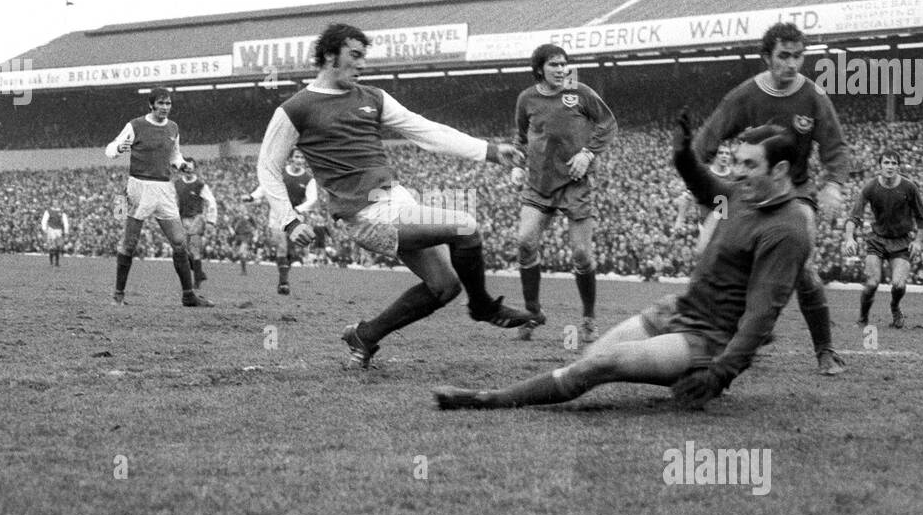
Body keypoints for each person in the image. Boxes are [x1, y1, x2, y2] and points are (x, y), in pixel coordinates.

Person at [434, 115, 811, 410]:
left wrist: (722, 372)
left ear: (779, 171)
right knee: (588, 360)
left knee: (601, 366)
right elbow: (706, 186)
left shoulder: (785, 231)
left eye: (750, 164)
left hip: (709, 337)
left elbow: (762, 315)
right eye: (738, 162)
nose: (738, 171)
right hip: (680, 310)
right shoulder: (745, 195)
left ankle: (488, 399)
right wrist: (683, 155)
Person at [257, 22, 534, 369]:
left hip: (398, 202)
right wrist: (289, 220)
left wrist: (490, 151)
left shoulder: (373, 97)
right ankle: (482, 308)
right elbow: (268, 166)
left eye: (363, 57)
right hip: (367, 216)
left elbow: (426, 131)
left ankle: (365, 335)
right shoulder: (296, 108)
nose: (362, 64)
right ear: (329, 56)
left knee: (445, 287)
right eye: (354, 56)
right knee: (465, 226)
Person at [693, 21, 851, 376]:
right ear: (767, 57)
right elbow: (707, 140)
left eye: (798, 56)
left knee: (802, 266)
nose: (792, 64)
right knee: (707, 252)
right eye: (784, 56)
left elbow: (835, 147)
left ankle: (825, 350)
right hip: (748, 194)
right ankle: (731, 332)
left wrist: (834, 184)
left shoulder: (813, 96)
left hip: (795, 193)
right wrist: (700, 179)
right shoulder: (744, 96)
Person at [512, 44, 617, 342]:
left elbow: (608, 124)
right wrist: (518, 164)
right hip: (539, 184)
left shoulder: (580, 93)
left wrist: (588, 154)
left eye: (564, 64)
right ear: (539, 69)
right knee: (524, 242)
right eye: (554, 65)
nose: (561, 70)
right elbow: (520, 137)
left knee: (582, 255)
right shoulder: (527, 99)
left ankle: (588, 318)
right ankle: (532, 313)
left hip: (575, 182)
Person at [104, 87, 207, 307]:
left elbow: (174, 154)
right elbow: (110, 149)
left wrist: (181, 165)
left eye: (168, 103)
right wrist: (120, 148)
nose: (164, 108)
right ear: (151, 105)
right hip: (140, 187)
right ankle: (118, 295)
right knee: (130, 243)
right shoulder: (136, 125)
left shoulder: (173, 127)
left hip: (164, 188)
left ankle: (188, 295)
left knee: (180, 243)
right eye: (160, 103)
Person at [842, 151, 923, 328]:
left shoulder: (909, 187)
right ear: (880, 166)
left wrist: (918, 241)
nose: (890, 166)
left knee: (898, 285)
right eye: (886, 163)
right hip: (877, 240)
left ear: (898, 166)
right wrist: (849, 238)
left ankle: (895, 307)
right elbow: (854, 216)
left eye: (893, 163)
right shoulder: (871, 187)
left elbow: (922, 218)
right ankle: (863, 318)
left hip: (901, 241)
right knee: (872, 283)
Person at [250, 148, 318, 294]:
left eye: (302, 158)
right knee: (281, 246)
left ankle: (283, 278)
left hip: (295, 216)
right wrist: (253, 196)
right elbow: (266, 187)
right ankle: (283, 282)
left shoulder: (308, 179)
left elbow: (313, 199)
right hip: (277, 214)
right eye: (297, 157)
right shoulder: (281, 174)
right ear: (291, 159)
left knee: (291, 250)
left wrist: (300, 208)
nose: (300, 160)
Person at [174, 157, 218, 298]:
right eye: (186, 168)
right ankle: (199, 273)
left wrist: (211, 221)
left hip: (197, 218)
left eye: (191, 168)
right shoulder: (177, 184)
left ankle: (197, 281)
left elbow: (211, 202)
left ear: (195, 169)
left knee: (194, 249)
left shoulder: (200, 185)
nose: (188, 171)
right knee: (183, 251)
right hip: (182, 219)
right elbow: (173, 200)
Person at [230, 202, 258, 275]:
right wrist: (232, 231)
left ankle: (244, 270)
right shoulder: (237, 216)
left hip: (247, 235)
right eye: (240, 207)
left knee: (242, 251)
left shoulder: (249, 216)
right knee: (236, 252)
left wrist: (256, 236)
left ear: (245, 208)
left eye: (242, 207)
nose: (241, 209)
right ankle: (243, 269)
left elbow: (255, 227)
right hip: (238, 235)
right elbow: (230, 225)